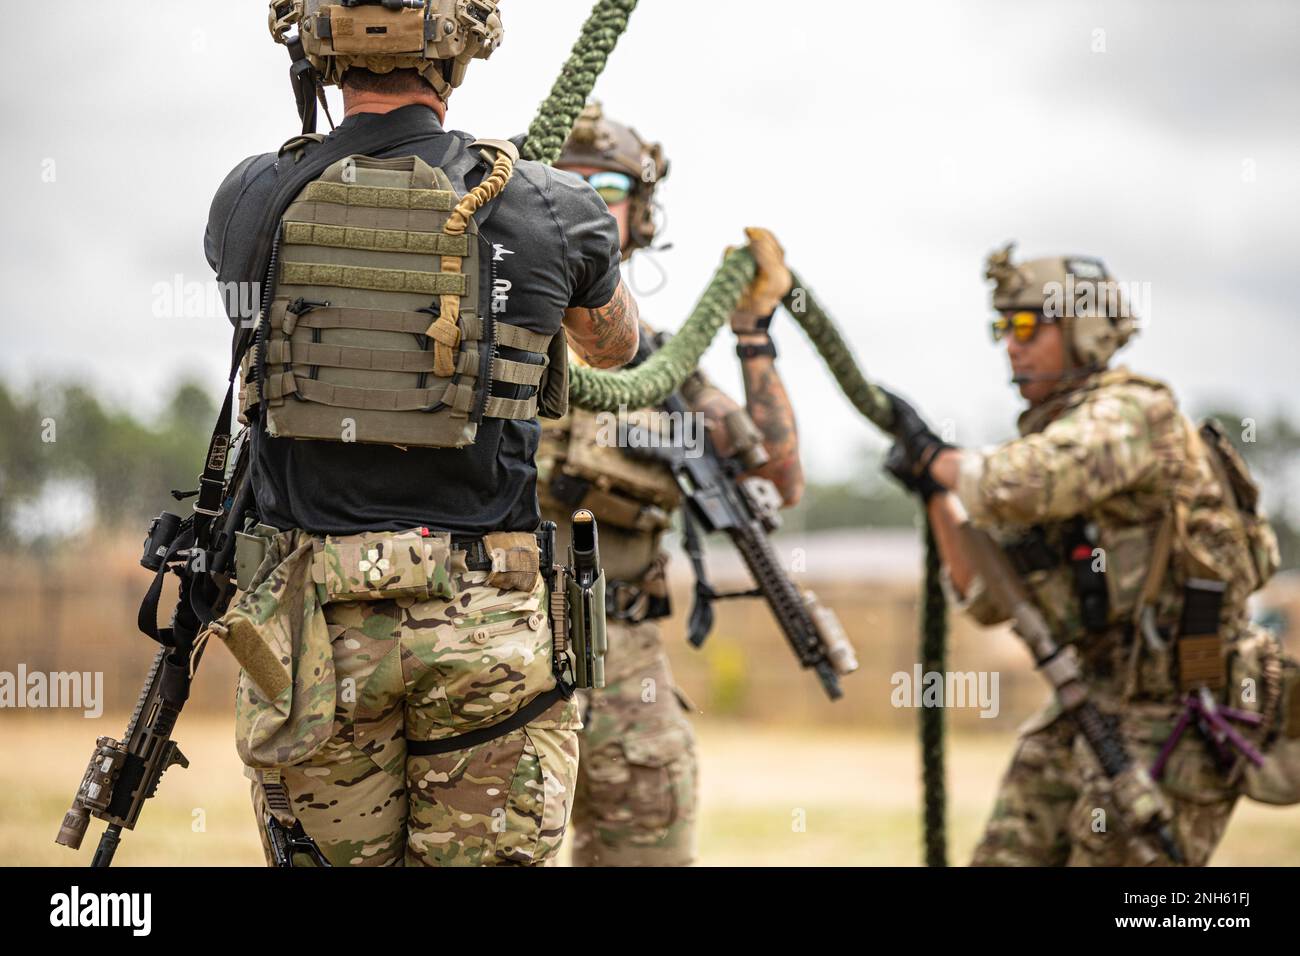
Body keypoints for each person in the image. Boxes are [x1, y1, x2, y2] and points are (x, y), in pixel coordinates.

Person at [202, 1, 639, 866]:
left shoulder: (251, 196)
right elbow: (614, 346)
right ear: (460, 53)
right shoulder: (552, 204)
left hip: (314, 630)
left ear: (320, 52)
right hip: (488, 632)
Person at [883, 243, 1281, 866]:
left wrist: (942, 459)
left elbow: (1022, 481)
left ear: (1084, 331)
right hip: (1089, 699)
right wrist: (935, 492)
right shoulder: (1050, 439)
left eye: (1025, 327)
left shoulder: (1133, 413)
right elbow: (988, 596)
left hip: (1173, 711)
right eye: (1002, 328)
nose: (1010, 346)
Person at [543, 103, 805, 865]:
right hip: (497, 636)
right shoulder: (488, 331)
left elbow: (776, 479)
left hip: (624, 651)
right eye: (569, 180)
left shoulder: (664, 366)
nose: (590, 196)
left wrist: (754, 336)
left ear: (641, 210)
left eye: (613, 184)